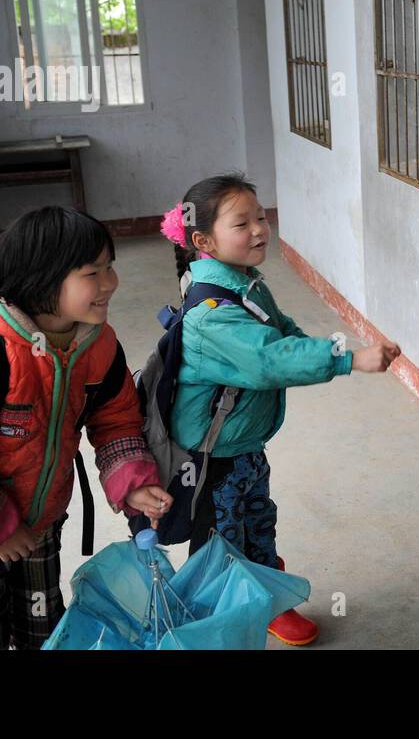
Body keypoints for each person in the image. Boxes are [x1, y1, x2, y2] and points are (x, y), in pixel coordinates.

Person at [0, 206, 169, 649]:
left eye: (110, 267)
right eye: (93, 272)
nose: (110, 283)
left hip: (41, 526)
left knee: (43, 634)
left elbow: (115, 419)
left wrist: (132, 482)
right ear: (43, 283)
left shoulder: (99, 345)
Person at [162, 173, 399, 645]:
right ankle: (216, 626)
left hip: (242, 445)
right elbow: (268, 360)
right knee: (219, 546)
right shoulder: (212, 313)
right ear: (204, 241)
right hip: (211, 460)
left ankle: (269, 601)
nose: (258, 229)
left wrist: (328, 349)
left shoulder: (244, 284)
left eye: (261, 217)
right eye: (241, 223)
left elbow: (283, 331)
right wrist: (347, 360)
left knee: (258, 523)